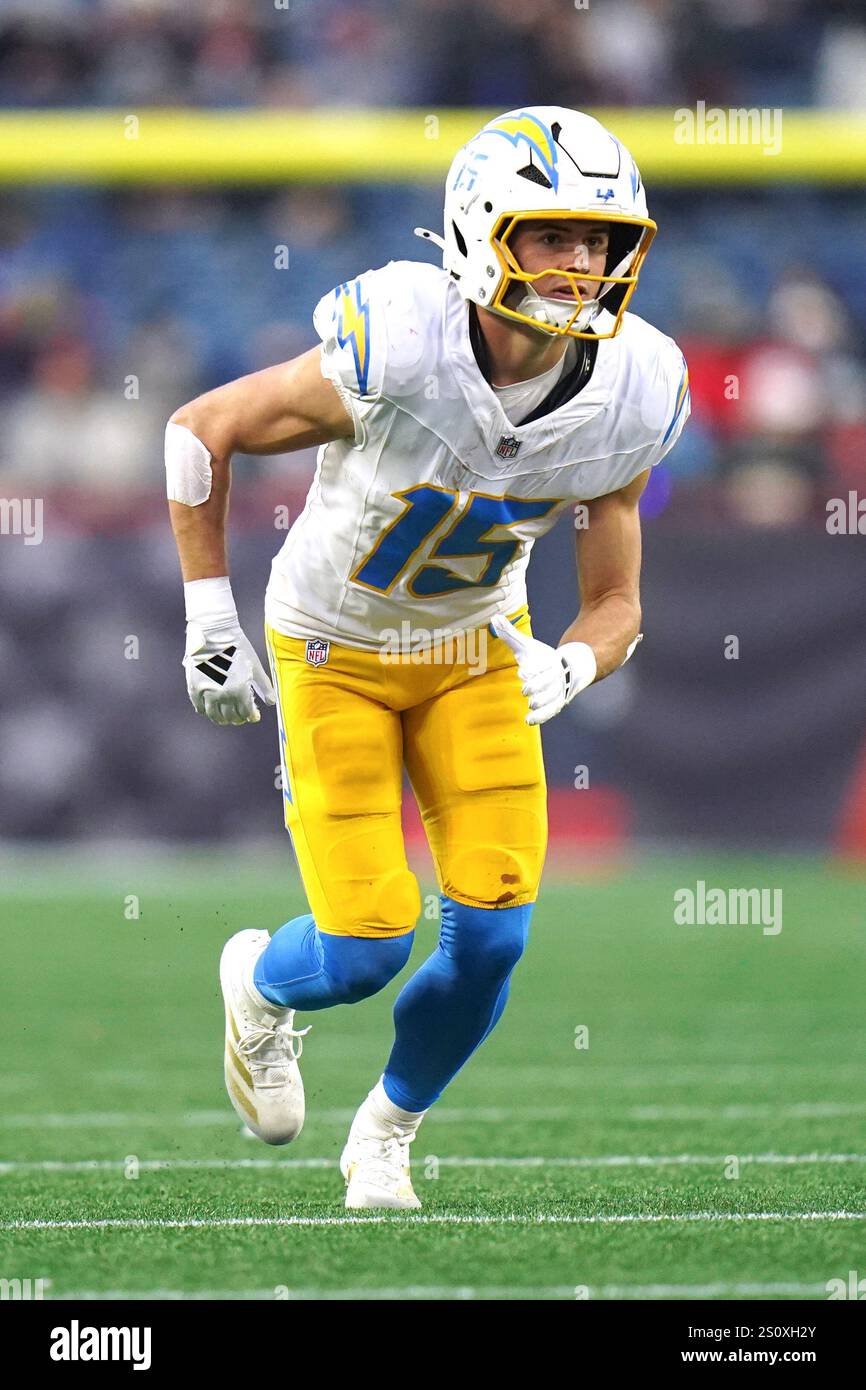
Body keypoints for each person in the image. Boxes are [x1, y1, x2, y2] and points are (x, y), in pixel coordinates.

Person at [166, 106, 690, 1210]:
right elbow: (198, 428)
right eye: (552, 235)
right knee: (364, 946)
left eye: (597, 241)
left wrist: (574, 665)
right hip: (335, 646)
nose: (579, 263)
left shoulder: (635, 386)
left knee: (493, 935)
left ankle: (387, 1132)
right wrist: (208, 615)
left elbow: (616, 600)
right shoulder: (396, 334)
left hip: (472, 655)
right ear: (479, 228)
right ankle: (261, 990)